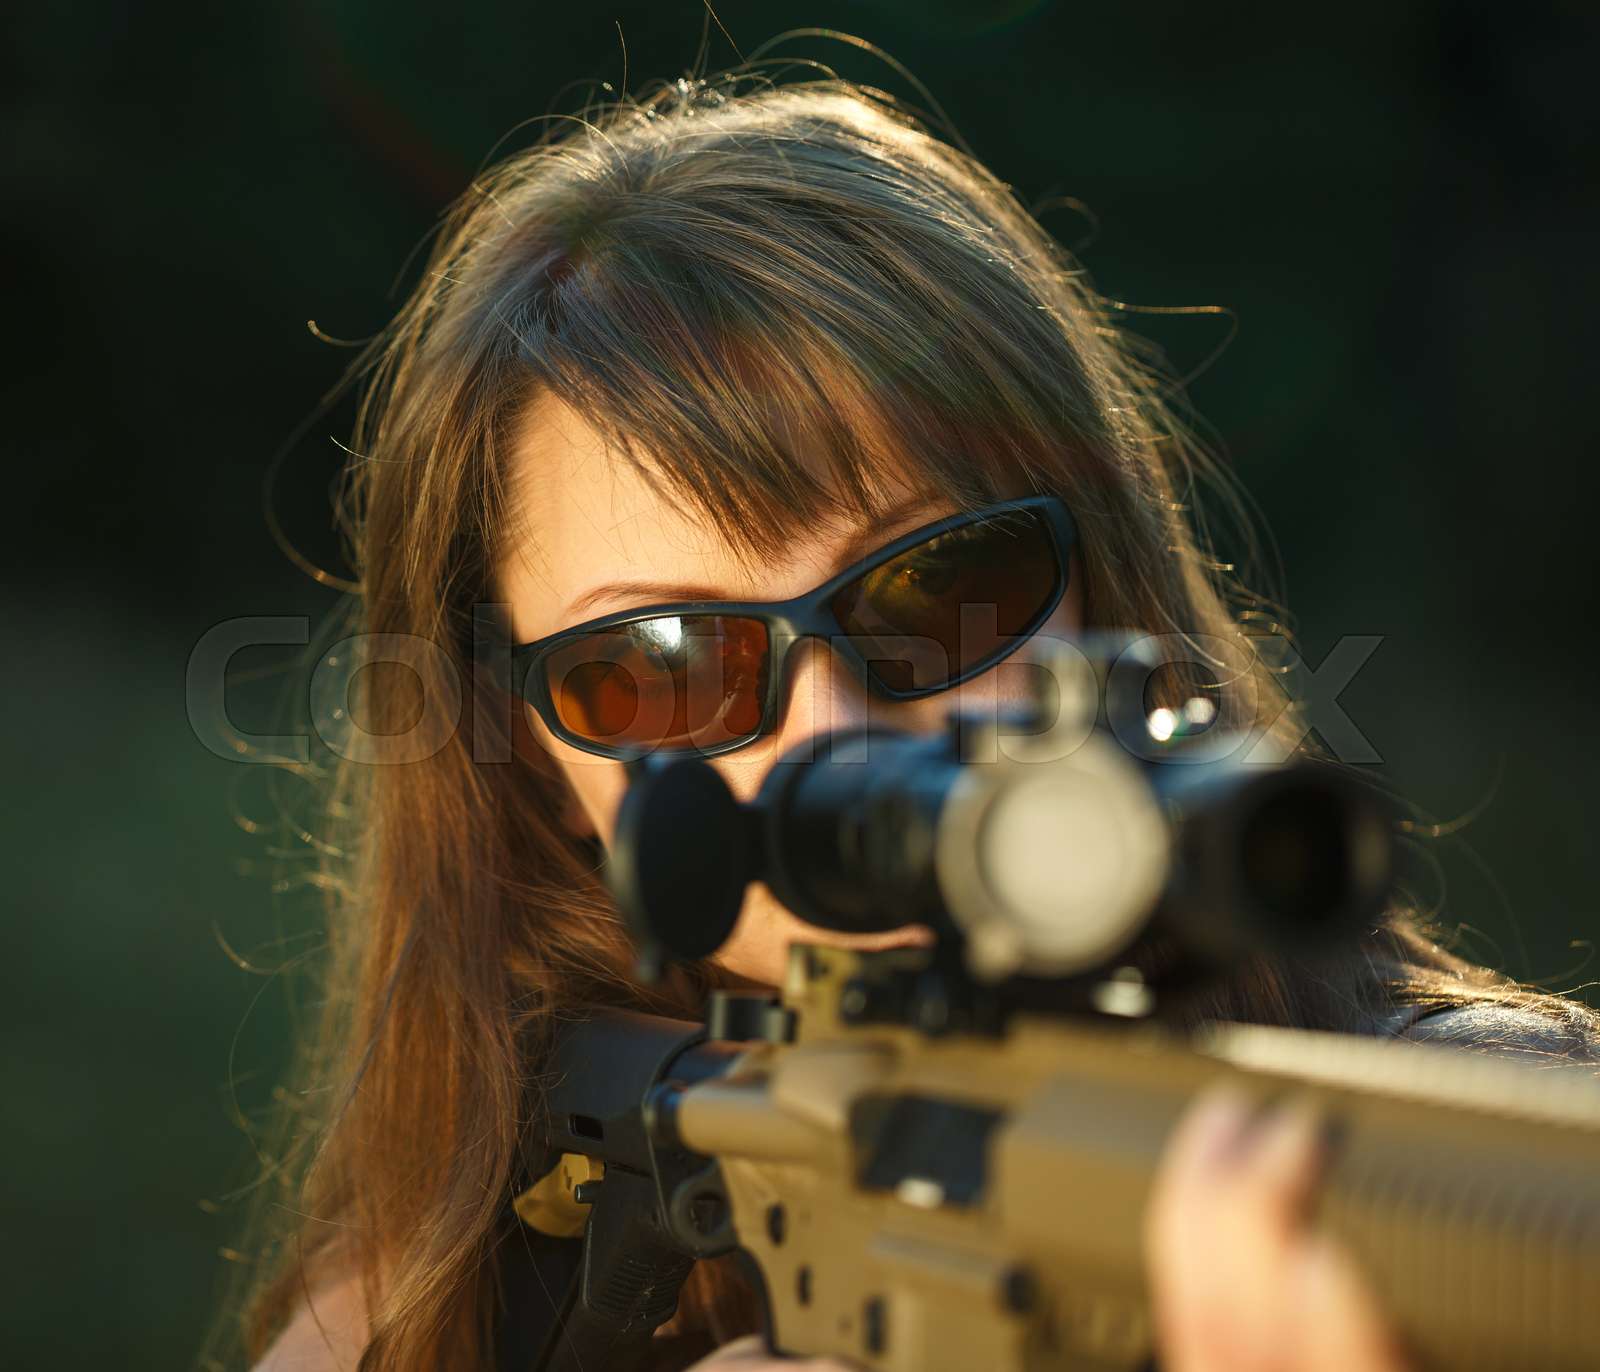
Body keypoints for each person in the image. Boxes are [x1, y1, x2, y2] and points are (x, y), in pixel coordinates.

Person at [229, 62, 1598, 1372]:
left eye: (938, 590)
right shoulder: (462, 1265)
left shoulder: (1499, 1136)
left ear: (1100, 595)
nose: (835, 734)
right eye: (660, 669)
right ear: (532, 765)